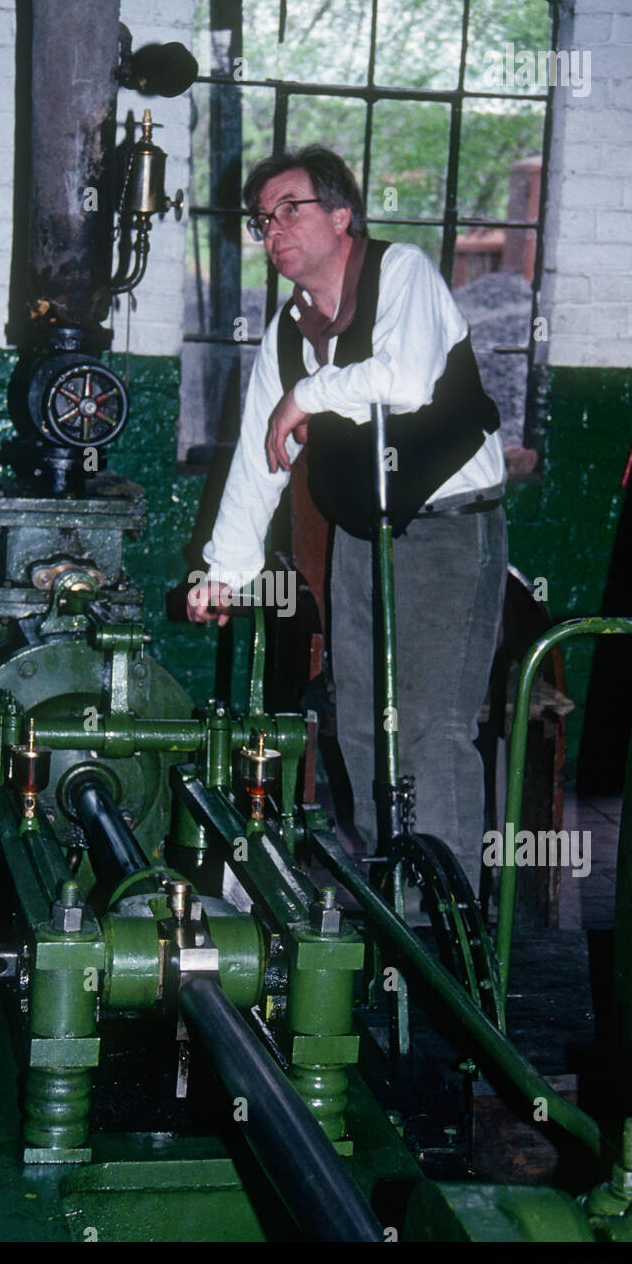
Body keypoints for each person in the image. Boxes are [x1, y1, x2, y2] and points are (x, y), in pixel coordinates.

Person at [187, 146, 506, 892]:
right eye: (262, 220)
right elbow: (260, 457)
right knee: (361, 726)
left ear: (340, 215)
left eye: (289, 210)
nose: (273, 231)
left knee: (429, 731)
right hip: (365, 537)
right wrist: (224, 572)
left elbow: (404, 378)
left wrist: (306, 398)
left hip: (449, 528)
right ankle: (396, 896)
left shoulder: (401, 273)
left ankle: (447, 931)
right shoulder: (289, 330)